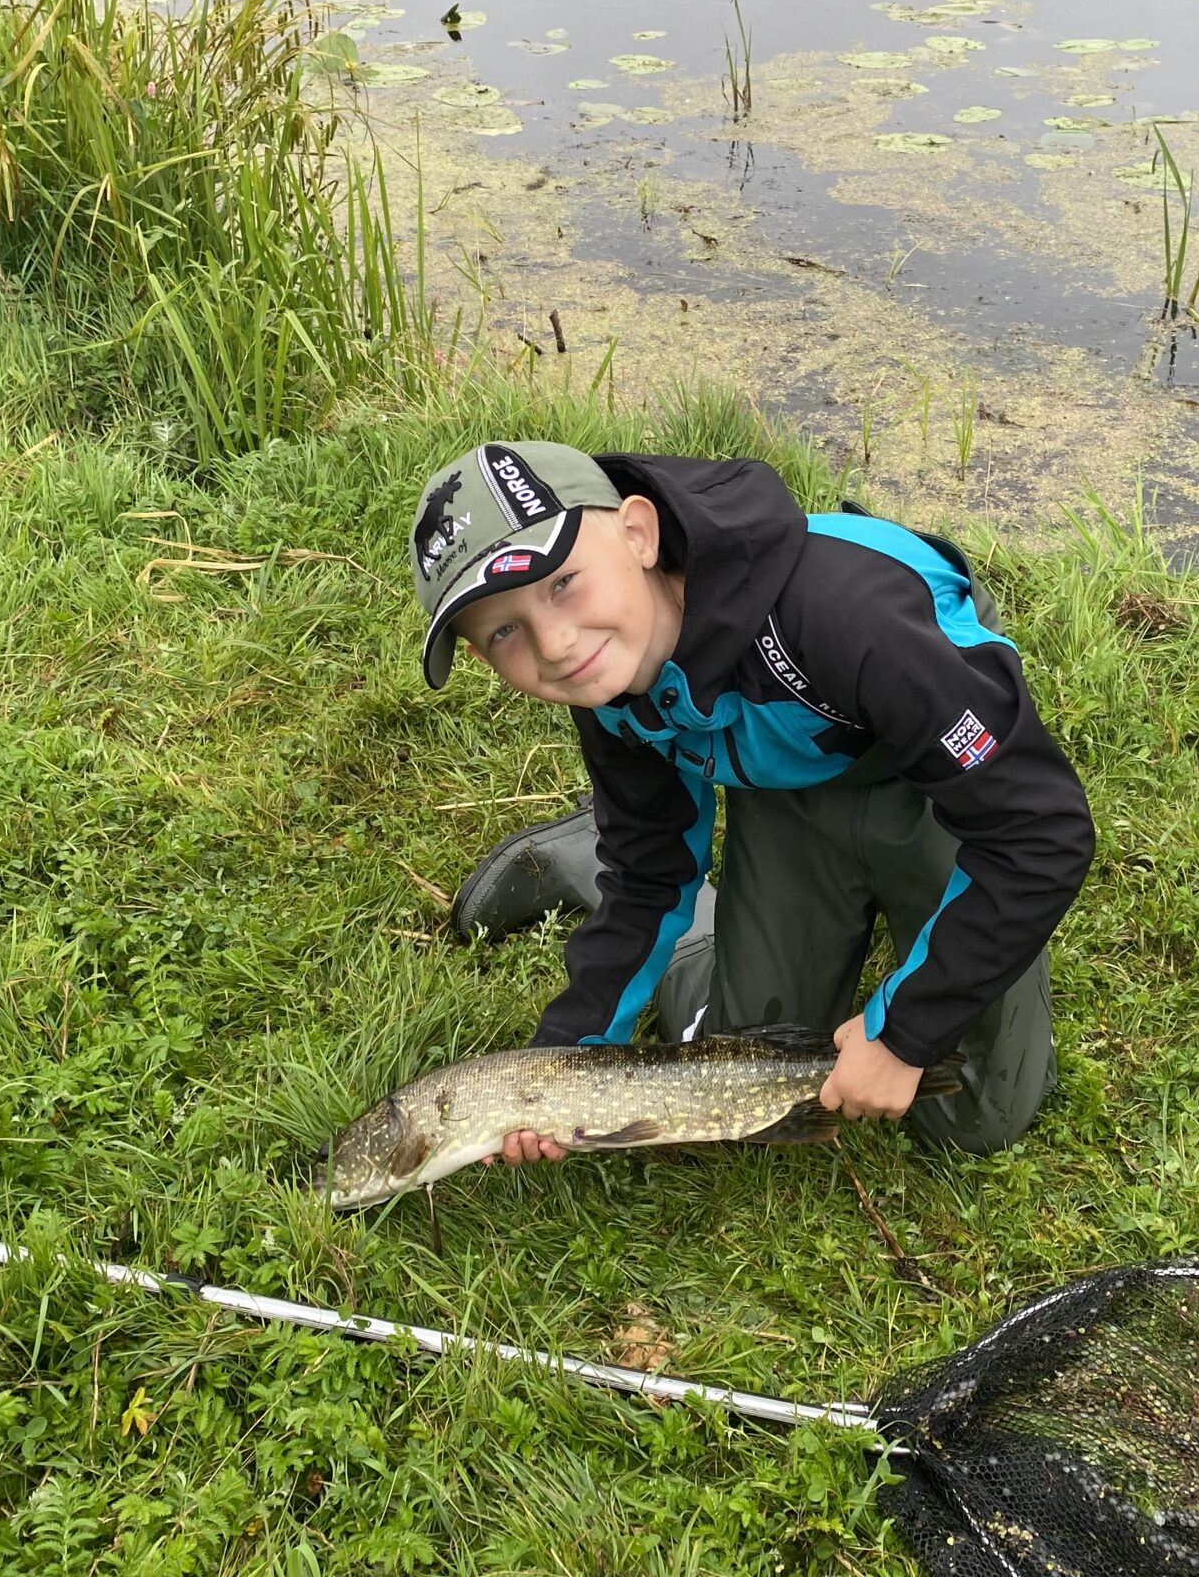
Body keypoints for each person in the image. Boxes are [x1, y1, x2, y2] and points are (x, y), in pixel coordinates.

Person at [408, 440, 1094, 1161]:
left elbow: (1040, 832)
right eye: (505, 630)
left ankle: (884, 898)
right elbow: (647, 876)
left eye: (562, 582)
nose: (554, 643)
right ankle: (621, 866)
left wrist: (903, 1030)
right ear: (480, 656)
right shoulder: (601, 673)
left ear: (638, 534)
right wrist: (562, 1069)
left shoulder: (848, 614)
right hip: (785, 779)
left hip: (928, 770)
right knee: (736, 1062)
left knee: (975, 1114)